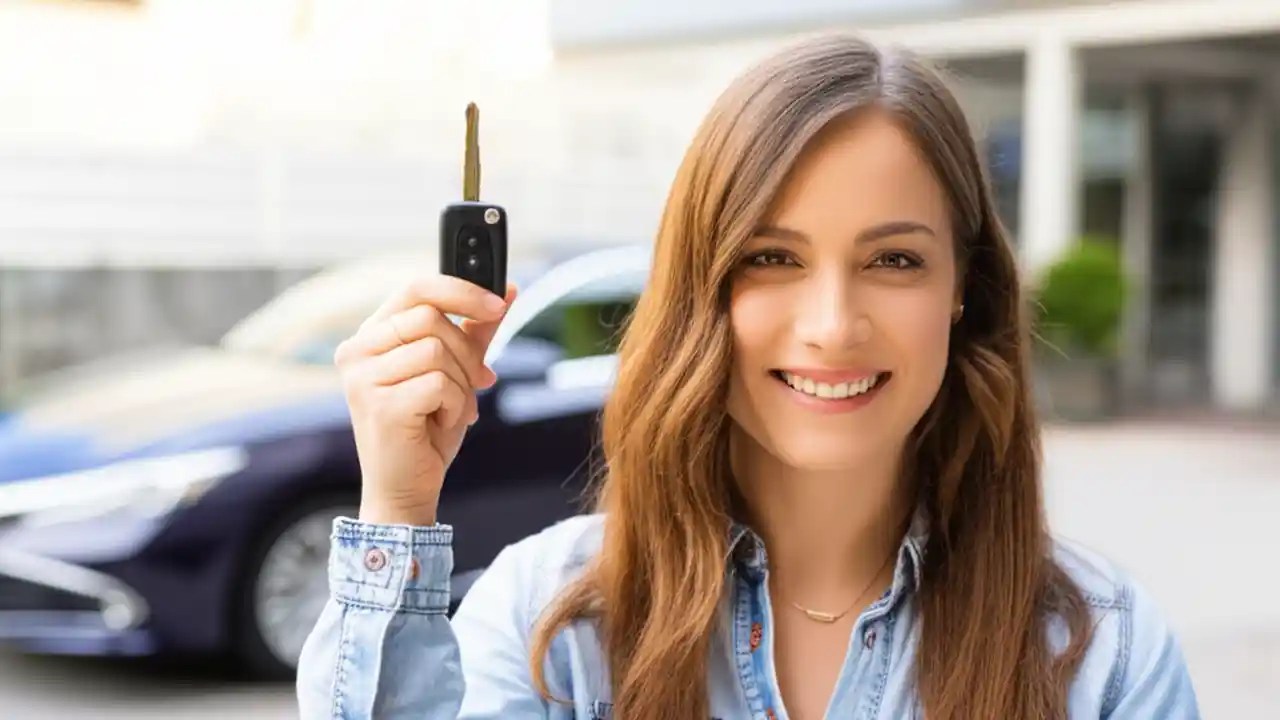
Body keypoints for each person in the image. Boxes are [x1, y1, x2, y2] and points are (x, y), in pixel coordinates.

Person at [296, 32, 1201, 720]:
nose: (833, 324)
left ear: (963, 289)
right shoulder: (553, 624)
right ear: (702, 286)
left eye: (893, 261)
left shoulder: (1102, 654)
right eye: (772, 257)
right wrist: (397, 511)